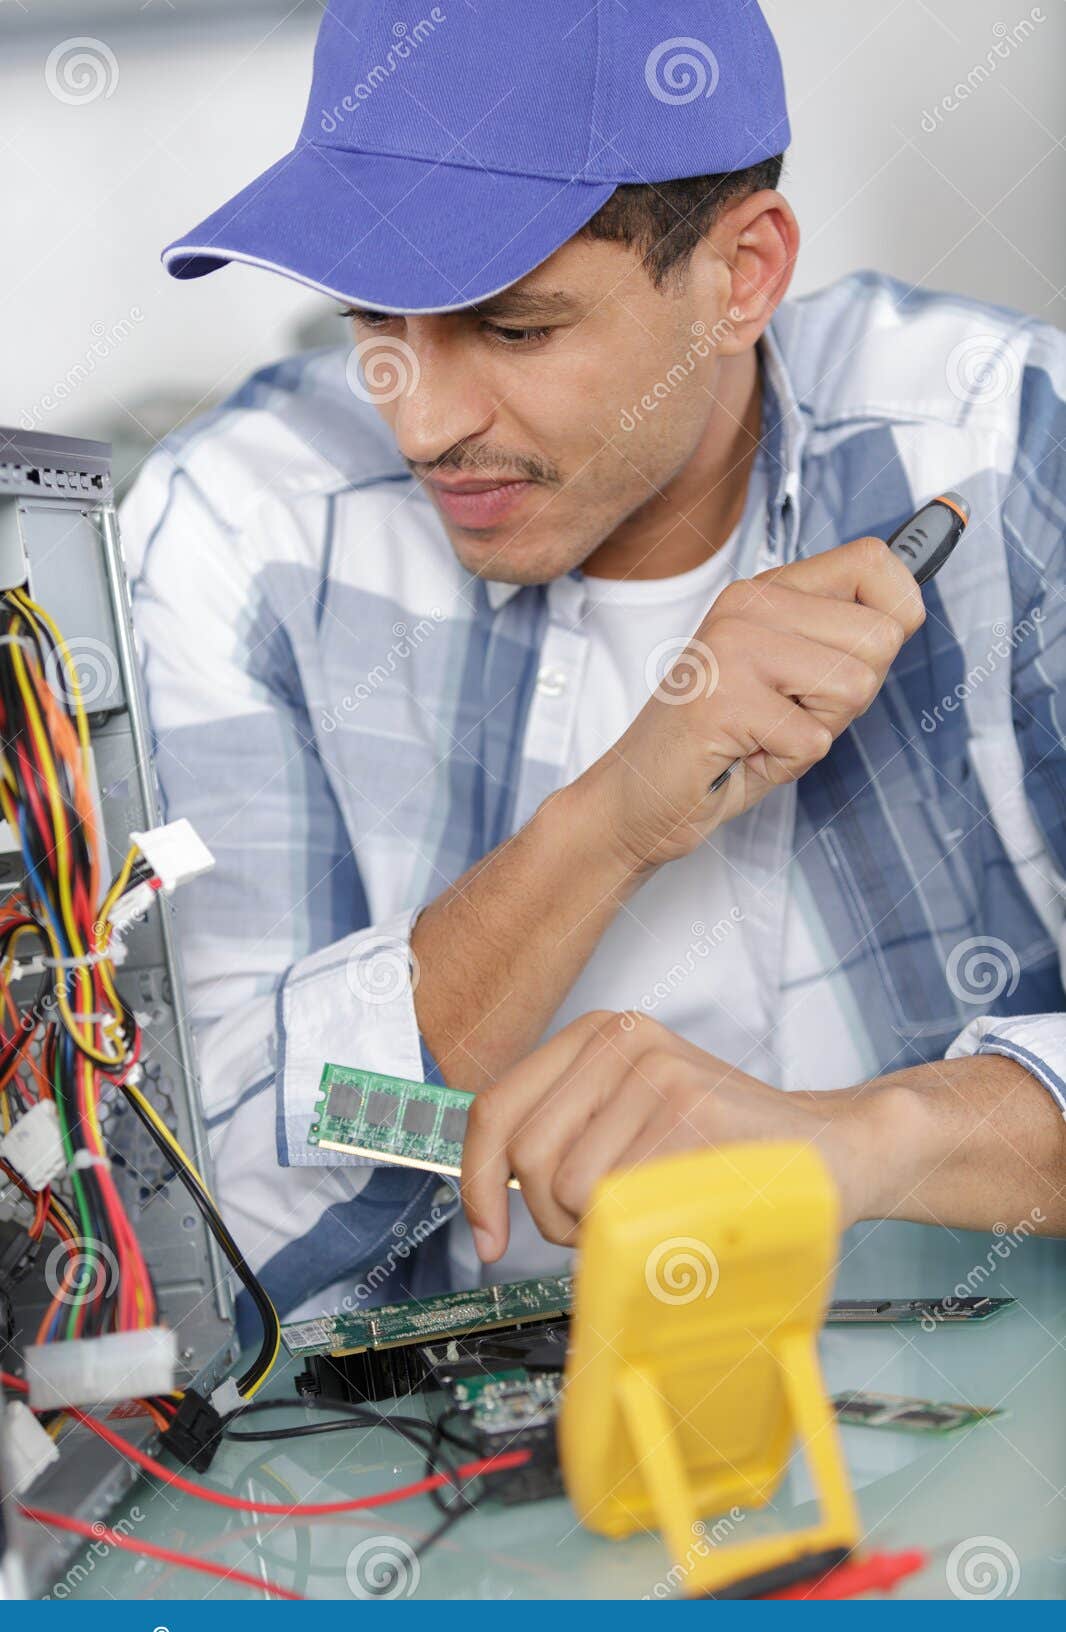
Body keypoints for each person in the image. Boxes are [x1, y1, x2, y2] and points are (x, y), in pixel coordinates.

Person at [121, 0, 1066, 1327]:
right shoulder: (238, 528)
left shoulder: (1009, 444)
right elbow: (201, 1209)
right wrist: (606, 826)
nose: (423, 420)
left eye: (515, 329)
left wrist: (863, 1140)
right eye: (372, 319)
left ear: (742, 274)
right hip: (453, 1441)